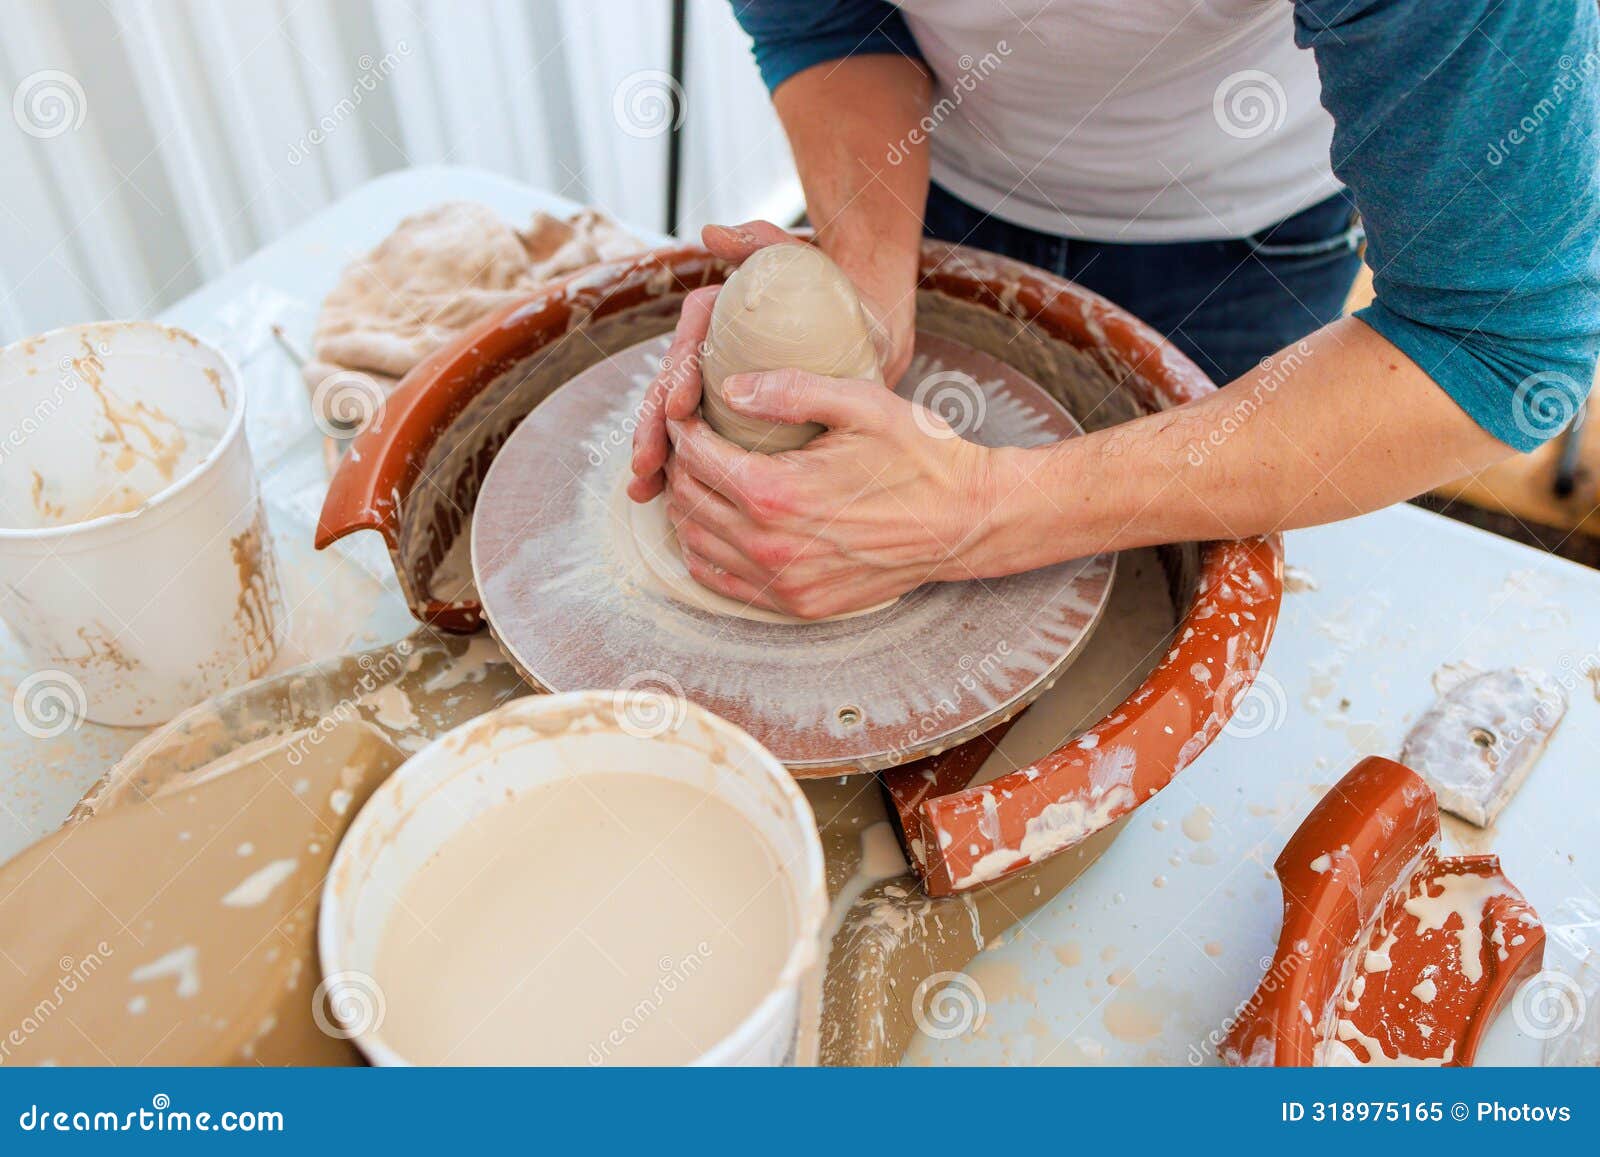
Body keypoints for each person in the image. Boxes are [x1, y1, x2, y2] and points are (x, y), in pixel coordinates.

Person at [630, 0, 1600, 621]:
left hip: (1237, 234)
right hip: (940, 173)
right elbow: (826, 21)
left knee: (1167, 601)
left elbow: (1496, 344)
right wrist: (859, 291)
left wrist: (982, 512)